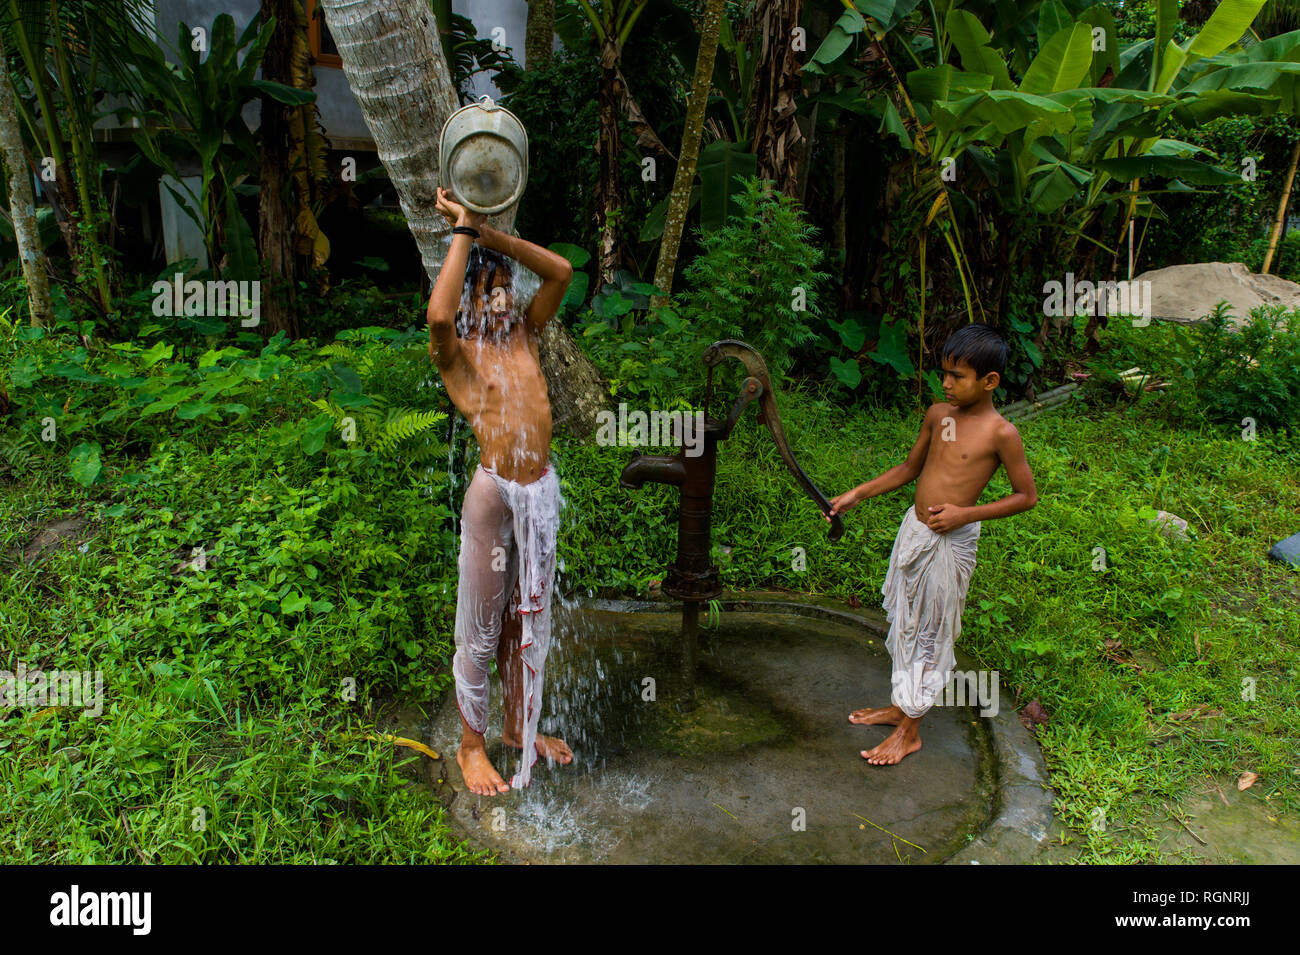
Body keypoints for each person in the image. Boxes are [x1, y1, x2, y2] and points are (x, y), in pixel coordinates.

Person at [828, 323, 1038, 766]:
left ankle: (911, 731)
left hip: (949, 544)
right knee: (906, 620)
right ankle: (900, 707)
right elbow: (909, 468)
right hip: (916, 533)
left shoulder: (1001, 434)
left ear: (990, 381)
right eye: (944, 373)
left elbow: (1026, 497)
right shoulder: (938, 415)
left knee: (931, 632)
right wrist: (856, 494)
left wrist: (966, 513)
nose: (946, 383)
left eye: (957, 376)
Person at [426, 187, 575, 795]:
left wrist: (492, 236)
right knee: (482, 628)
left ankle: (519, 726)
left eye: (505, 287)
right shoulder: (457, 355)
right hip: (494, 500)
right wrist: (462, 232)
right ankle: (470, 746)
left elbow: (562, 271)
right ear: (469, 300)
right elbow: (437, 316)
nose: (503, 297)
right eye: (488, 290)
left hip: (539, 496)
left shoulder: (526, 335)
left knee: (527, 624)